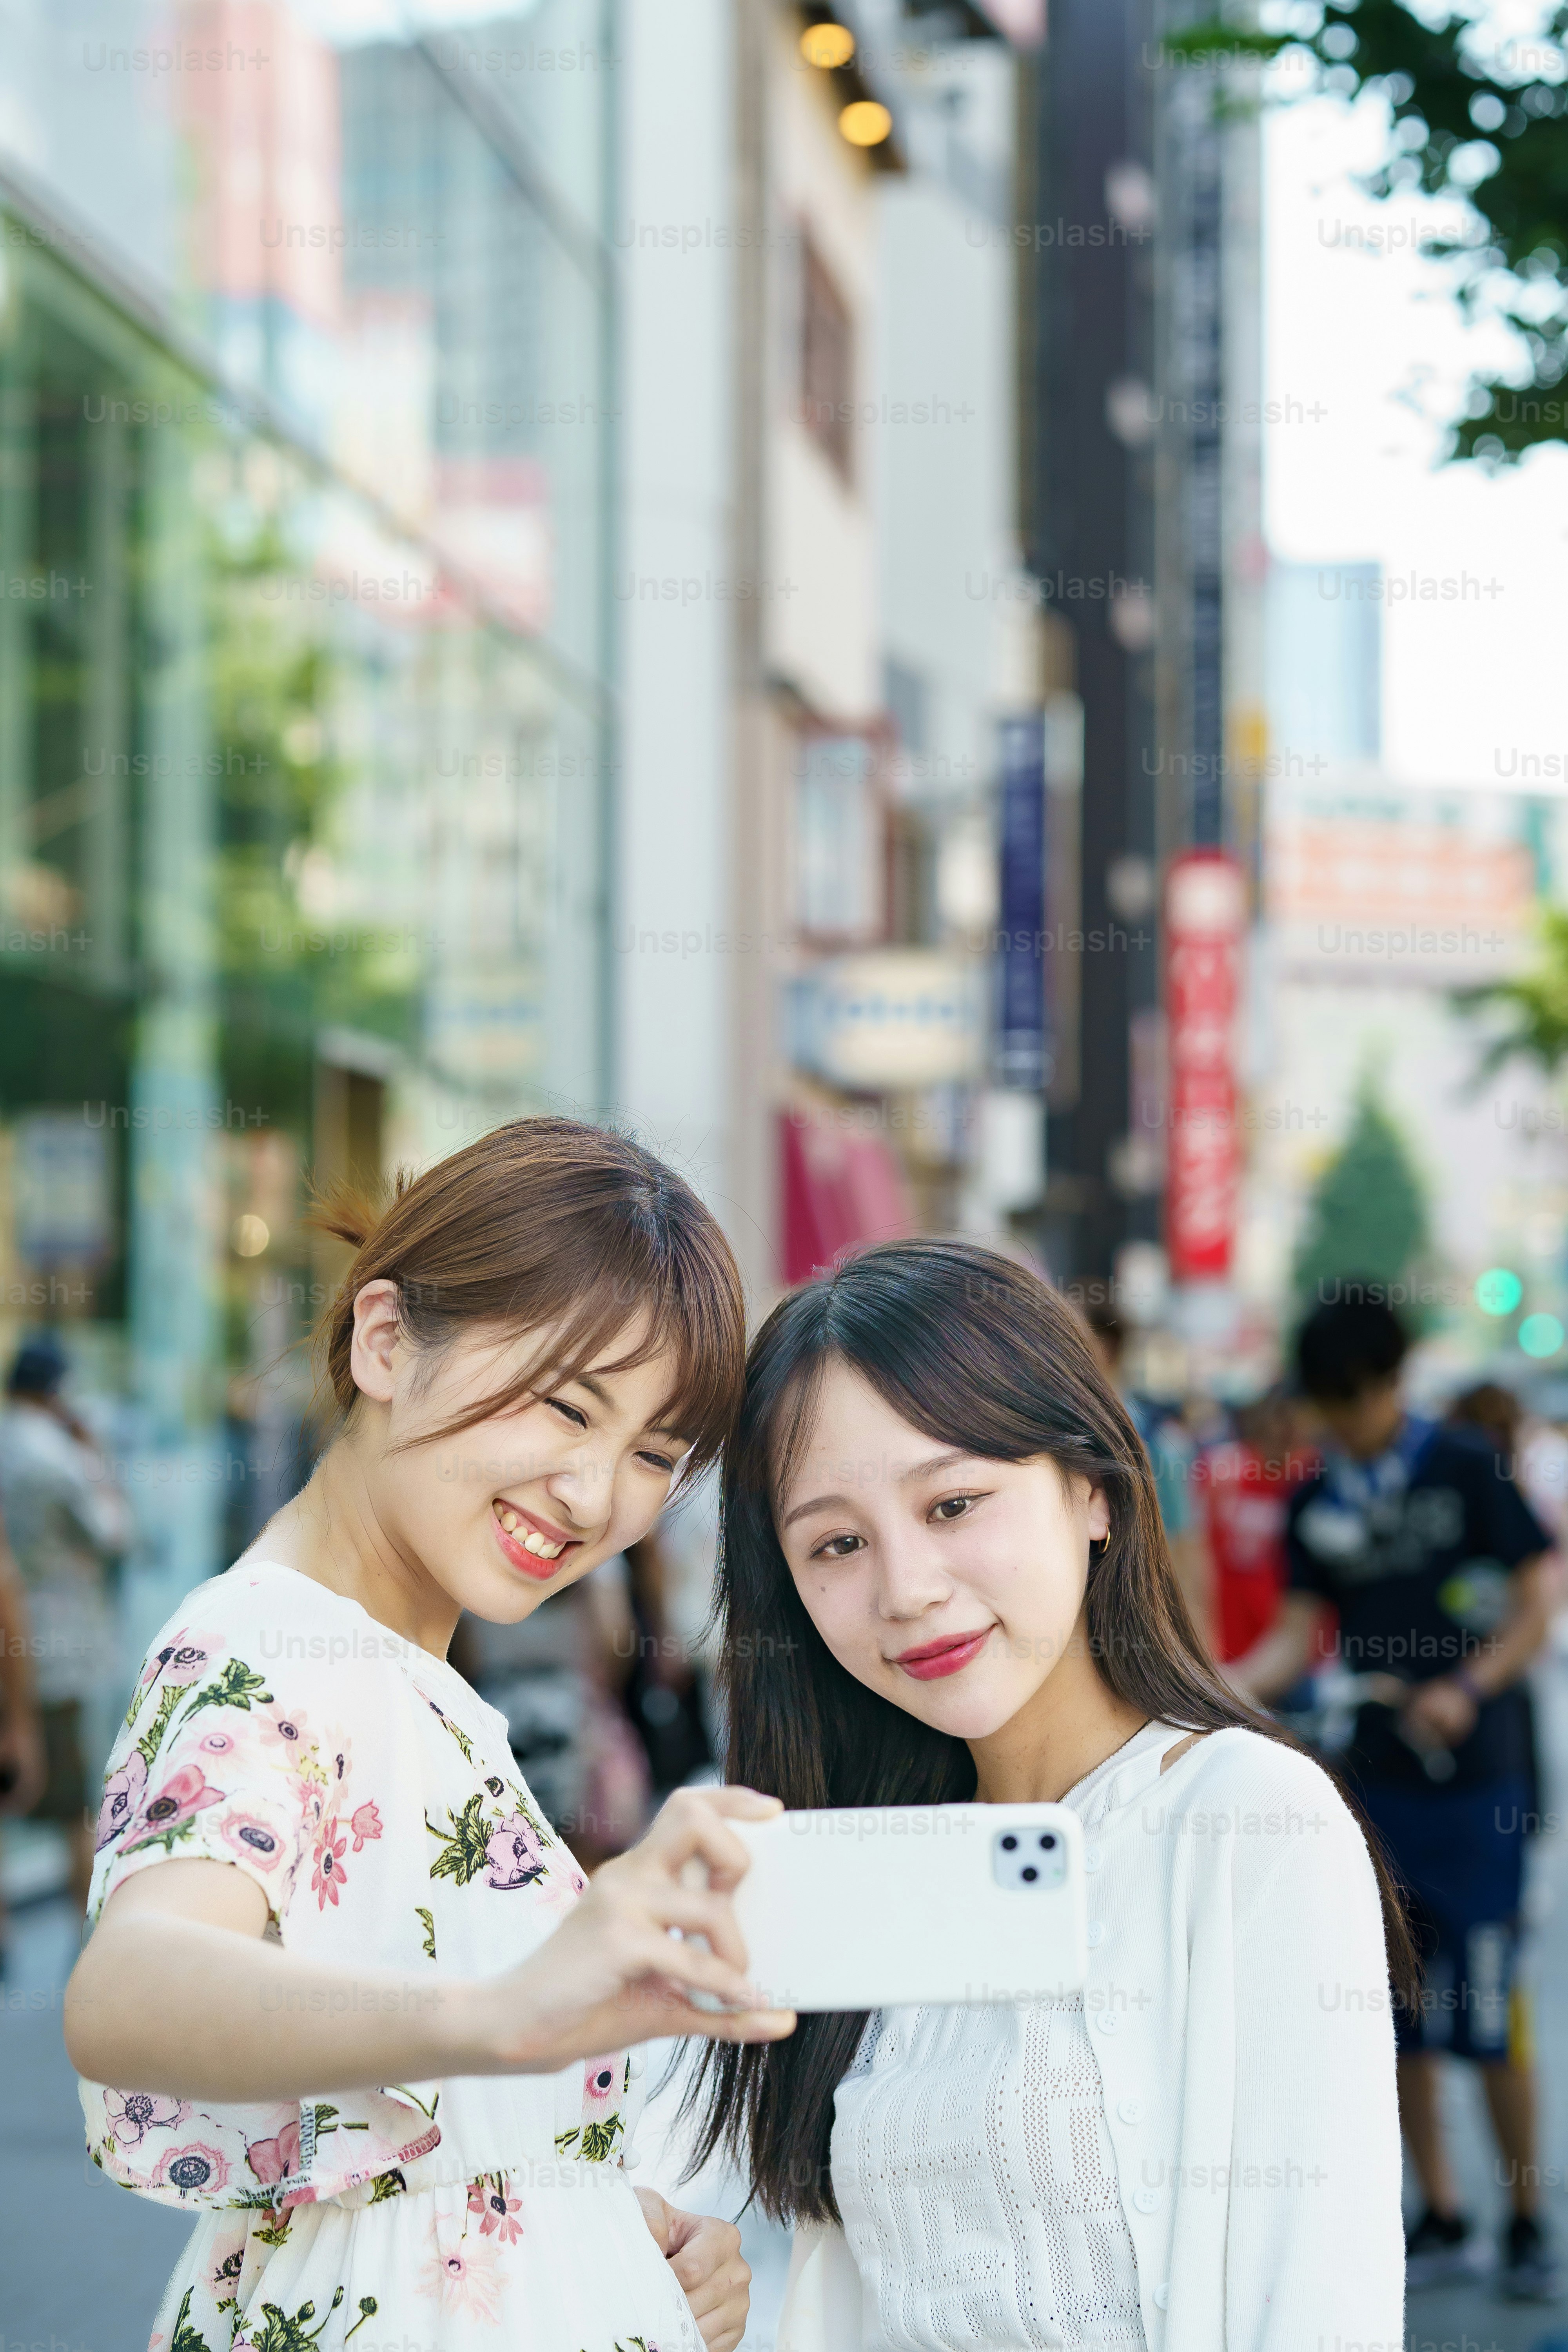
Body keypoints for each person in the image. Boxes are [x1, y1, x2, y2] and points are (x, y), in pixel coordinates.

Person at [64, 1119, 797, 2352]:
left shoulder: (390, 1667)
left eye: (651, 1455)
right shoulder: (270, 1644)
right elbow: (130, 1985)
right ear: (387, 1339)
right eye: (568, 1406)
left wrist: (620, 2232)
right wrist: (503, 2008)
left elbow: (424, 2144)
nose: (592, 1492)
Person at [688, 1240, 1412, 2348]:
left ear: (1094, 1493)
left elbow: (1317, 2303)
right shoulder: (842, 1857)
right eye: (837, 1542)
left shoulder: (1249, 1818)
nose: (907, 1591)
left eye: (953, 1504)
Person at [1231, 1295, 1559, 2300]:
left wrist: (1469, 1683)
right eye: (1326, 1409)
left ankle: (1525, 2222)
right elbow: (1295, 1633)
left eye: (1353, 1404)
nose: (1340, 1425)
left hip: (1477, 1784)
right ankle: (1439, 2209)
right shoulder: (1315, 1494)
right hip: (1371, 1786)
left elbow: (1540, 1588)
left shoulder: (1466, 1467)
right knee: (1394, 2002)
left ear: (1390, 1382)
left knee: (1486, 1995)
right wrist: (1213, 1690)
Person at [0, 1332, 129, 1908]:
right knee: (74, 1807)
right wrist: (93, 1453)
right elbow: (115, 1532)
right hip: (53, 1655)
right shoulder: (58, 1454)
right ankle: (88, 1939)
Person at [1083, 1299, 1210, 1641]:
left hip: (1144, 1628)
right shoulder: (1051, 1437)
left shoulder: (1158, 1442)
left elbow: (1186, 1550)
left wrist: (1198, 1647)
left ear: (1107, 1350)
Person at [1193, 1388, 1319, 1668]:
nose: (1285, 1430)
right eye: (1279, 1418)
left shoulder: (1314, 1478)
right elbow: (1198, 1556)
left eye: (1295, 1422)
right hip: (1226, 1640)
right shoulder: (1222, 1471)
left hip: (1294, 1649)